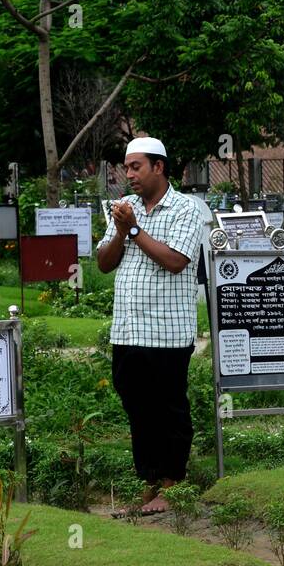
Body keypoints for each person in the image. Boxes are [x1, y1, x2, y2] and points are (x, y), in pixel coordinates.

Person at [96, 136, 204, 514]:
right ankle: (150, 483)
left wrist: (136, 230)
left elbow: (175, 260)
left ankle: (173, 485)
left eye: (136, 166)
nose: (129, 175)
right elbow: (104, 263)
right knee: (138, 408)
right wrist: (123, 230)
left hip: (166, 334)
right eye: (126, 167)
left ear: (159, 167)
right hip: (128, 332)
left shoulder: (186, 209)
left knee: (169, 408)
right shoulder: (125, 211)